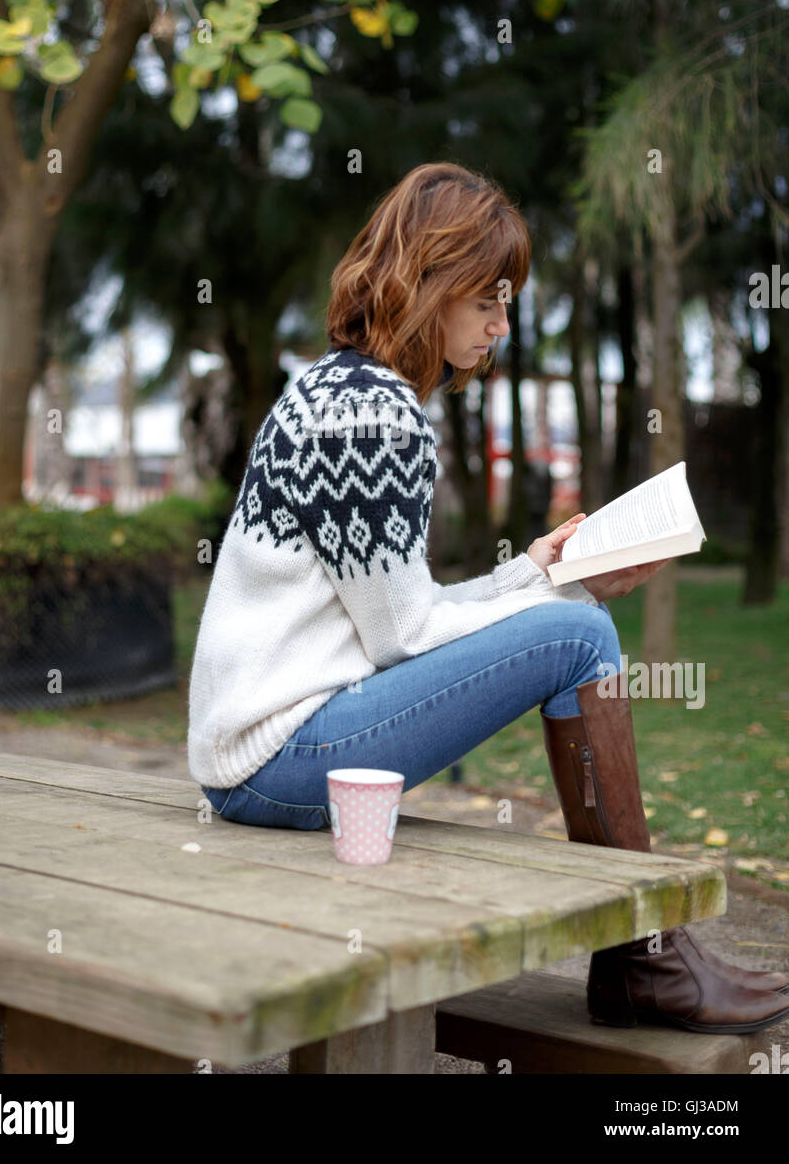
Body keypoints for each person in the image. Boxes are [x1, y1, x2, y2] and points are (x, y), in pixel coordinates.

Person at [188, 160, 789, 1035]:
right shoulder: (373, 417)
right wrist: (553, 598)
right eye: (488, 301)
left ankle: (646, 962)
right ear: (428, 282)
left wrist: (531, 576)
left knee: (569, 621)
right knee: (580, 638)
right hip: (280, 757)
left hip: (265, 748)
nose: (502, 327)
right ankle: (648, 962)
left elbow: (397, 614)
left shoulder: (341, 391)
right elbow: (402, 642)